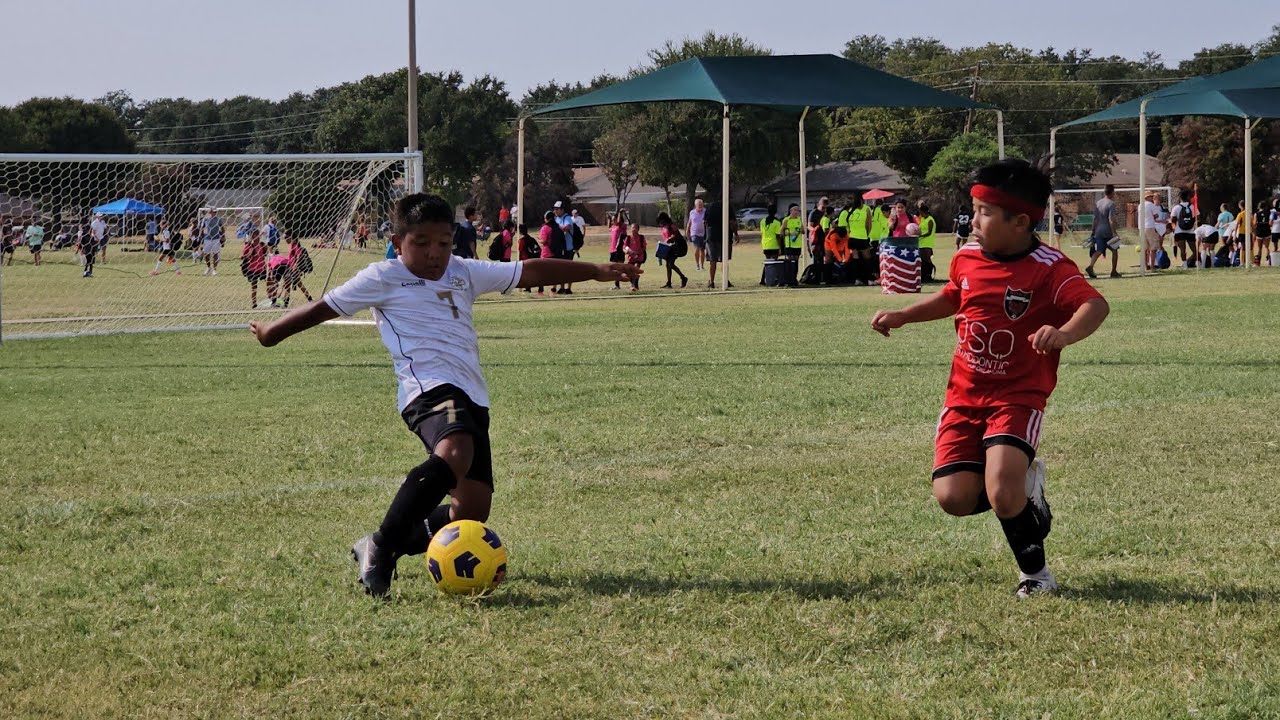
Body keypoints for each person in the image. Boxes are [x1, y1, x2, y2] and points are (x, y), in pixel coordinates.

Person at [247, 192, 639, 598]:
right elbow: (322, 308)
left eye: (444, 243)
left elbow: (526, 271)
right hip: (427, 388)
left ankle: (382, 540)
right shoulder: (382, 277)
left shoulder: (463, 271)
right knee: (454, 451)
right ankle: (382, 546)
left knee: (470, 513)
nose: (434, 253)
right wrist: (272, 333)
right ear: (398, 243)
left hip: (472, 396)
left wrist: (594, 269)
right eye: (421, 243)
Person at [871, 158, 1110, 598]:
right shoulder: (966, 256)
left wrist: (1063, 334)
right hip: (963, 396)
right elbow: (953, 296)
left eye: (984, 212)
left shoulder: (1049, 268)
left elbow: (1094, 305)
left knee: (1001, 490)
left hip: (1018, 396)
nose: (973, 220)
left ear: (1020, 222)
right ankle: (1024, 487)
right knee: (953, 498)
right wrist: (904, 315)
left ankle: (1036, 576)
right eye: (974, 209)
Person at [1085, 185, 1121, 279]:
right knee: (1114, 250)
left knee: (1099, 250)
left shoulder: (1098, 203)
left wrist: (1093, 231)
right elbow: (1111, 219)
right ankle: (1113, 272)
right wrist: (1114, 232)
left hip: (1098, 231)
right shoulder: (1111, 204)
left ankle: (1090, 266)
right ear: (1112, 192)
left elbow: (1095, 219)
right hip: (1108, 231)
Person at [656, 211, 689, 289]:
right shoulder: (663, 227)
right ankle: (669, 283)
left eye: (661, 220)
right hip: (670, 247)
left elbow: (676, 234)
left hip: (678, 246)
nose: (661, 223)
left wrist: (670, 238)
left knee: (670, 264)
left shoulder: (671, 225)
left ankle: (683, 278)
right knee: (668, 264)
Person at [845, 194, 873, 286]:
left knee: (856, 259)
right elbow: (869, 224)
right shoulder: (866, 209)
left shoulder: (851, 210)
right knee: (867, 259)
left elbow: (848, 225)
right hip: (862, 236)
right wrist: (867, 234)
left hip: (852, 237)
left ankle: (858, 279)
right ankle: (869, 279)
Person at [282, 234, 314, 307]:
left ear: (290, 237)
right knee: (298, 284)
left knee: (287, 285)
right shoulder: (292, 245)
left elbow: (299, 254)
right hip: (291, 268)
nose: (285, 240)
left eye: (286, 238)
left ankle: (286, 303)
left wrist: (295, 265)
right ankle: (310, 299)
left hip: (293, 269)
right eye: (284, 238)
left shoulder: (294, 245)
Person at [1170, 190, 1197, 266]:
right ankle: (1198, 263)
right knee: (1194, 249)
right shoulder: (1192, 206)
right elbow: (1197, 217)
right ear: (1188, 197)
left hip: (1179, 231)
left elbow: (1173, 220)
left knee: (1182, 249)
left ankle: (1185, 265)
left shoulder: (1176, 207)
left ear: (1180, 198)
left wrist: (1173, 229)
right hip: (1190, 231)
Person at [781, 203, 804, 287]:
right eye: (795, 210)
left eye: (798, 210)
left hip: (797, 245)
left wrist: (801, 230)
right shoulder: (786, 220)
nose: (796, 212)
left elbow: (803, 231)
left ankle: (794, 278)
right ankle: (789, 278)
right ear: (790, 210)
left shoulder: (799, 219)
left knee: (796, 262)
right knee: (790, 262)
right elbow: (781, 232)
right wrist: (790, 233)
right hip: (789, 244)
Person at [758, 205, 782, 285]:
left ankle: (763, 279)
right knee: (774, 263)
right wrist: (780, 247)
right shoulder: (777, 222)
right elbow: (777, 236)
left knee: (767, 263)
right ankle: (773, 279)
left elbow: (762, 233)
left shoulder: (762, 221)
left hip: (765, 244)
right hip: (773, 244)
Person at [916, 202, 937, 282]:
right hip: (921, 243)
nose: (920, 215)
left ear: (924, 212)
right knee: (922, 260)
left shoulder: (930, 220)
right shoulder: (923, 219)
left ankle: (929, 274)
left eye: (921, 213)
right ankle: (924, 275)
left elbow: (929, 232)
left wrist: (920, 236)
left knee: (927, 259)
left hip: (927, 243)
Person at [623, 222, 647, 291]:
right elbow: (624, 247)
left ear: (638, 229)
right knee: (629, 272)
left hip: (638, 257)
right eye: (632, 227)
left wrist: (637, 252)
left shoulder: (641, 237)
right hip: (630, 258)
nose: (634, 229)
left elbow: (644, 247)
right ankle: (635, 286)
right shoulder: (628, 238)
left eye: (635, 228)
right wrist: (626, 251)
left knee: (635, 270)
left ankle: (633, 286)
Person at [686, 198, 707, 271]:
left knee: (702, 250)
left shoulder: (705, 211)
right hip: (694, 233)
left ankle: (702, 265)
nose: (701, 206)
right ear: (696, 205)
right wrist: (687, 231)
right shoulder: (692, 212)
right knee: (697, 248)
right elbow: (689, 222)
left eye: (702, 205)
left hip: (703, 233)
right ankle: (697, 265)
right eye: (699, 205)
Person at [201, 210, 223, 276]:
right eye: (210, 212)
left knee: (215, 254)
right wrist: (201, 238)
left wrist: (223, 236)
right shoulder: (205, 219)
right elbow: (202, 228)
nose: (211, 213)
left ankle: (214, 270)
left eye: (214, 212)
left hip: (216, 238)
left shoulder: (219, 219)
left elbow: (222, 228)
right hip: (207, 239)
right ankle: (208, 268)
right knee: (206, 254)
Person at [1252, 201, 1272, 266]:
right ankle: (1268, 261)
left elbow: (1254, 223)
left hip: (1259, 231)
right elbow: (1270, 223)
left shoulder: (1256, 214)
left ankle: (1258, 262)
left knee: (1259, 247)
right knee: (1267, 247)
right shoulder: (1269, 213)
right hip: (1267, 230)